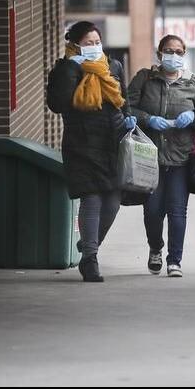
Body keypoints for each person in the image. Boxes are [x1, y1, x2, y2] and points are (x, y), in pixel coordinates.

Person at [45, 21, 135, 283]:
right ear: (75, 45)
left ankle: (88, 245)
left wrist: (128, 117)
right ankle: (90, 259)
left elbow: (123, 99)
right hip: (82, 144)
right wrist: (71, 70)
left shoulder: (113, 66)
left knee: (113, 203)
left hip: (113, 143)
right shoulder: (65, 69)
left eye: (97, 42)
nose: (94, 47)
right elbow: (57, 104)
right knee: (92, 199)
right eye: (88, 43)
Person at [127, 34, 195, 278]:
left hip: (181, 158)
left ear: (184, 55)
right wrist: (148, 119)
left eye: (178, 52)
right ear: (159, 53)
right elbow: (127, 108)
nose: (173, 55)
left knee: (177, 212)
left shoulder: (193, 84)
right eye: (168, 50)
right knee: (153, 211)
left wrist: (193, 116)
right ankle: (155, 248)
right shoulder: (145, 79)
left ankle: (175, 260)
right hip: (149, 157)